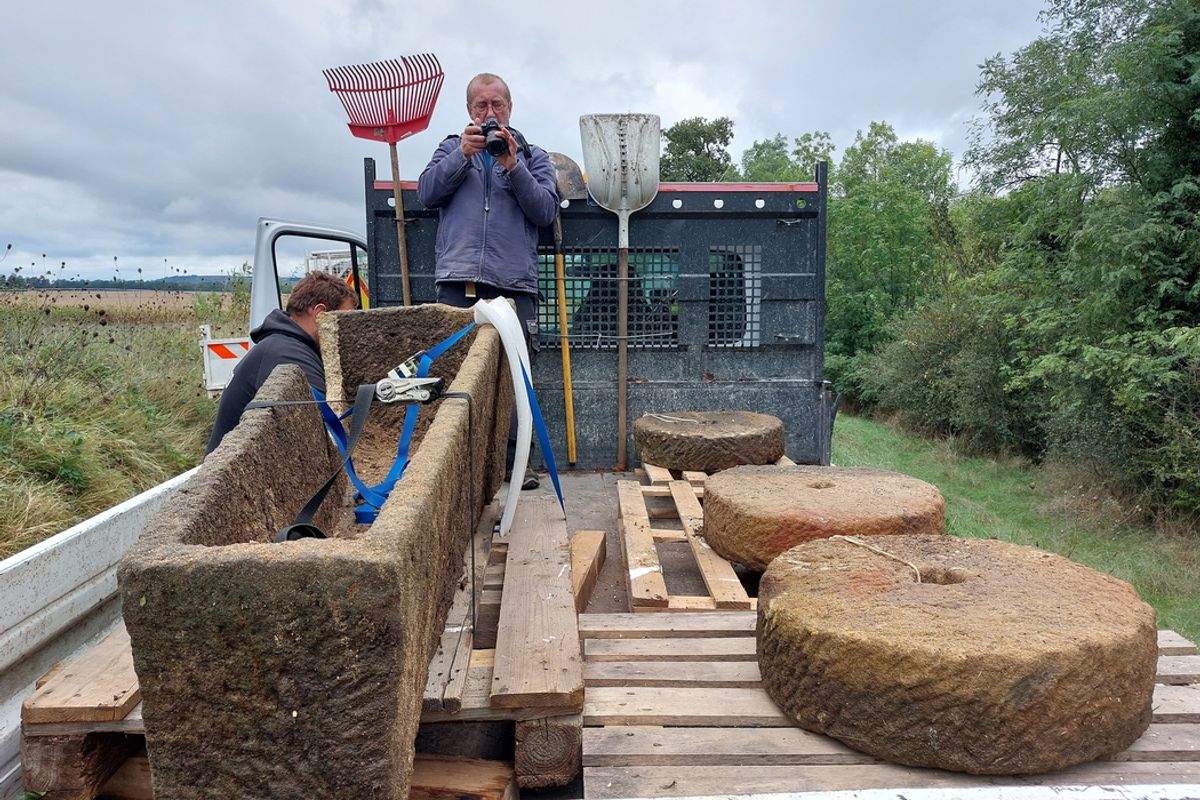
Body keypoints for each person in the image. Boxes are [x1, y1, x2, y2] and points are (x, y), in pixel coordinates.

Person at [417, 72, 559, 489]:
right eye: (482, 106)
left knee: (515, 379)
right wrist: (461, 155)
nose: (490, 113)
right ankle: (452, 467)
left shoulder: (533, 156)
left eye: (497, 105)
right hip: (457, 282)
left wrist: (512, 166)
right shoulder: (449, 148)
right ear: (469, 111)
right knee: (452, 375)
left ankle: (516, 467)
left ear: (510, 108)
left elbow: (545, 211)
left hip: (513, 285)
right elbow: (426, 193)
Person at [205, 271, 357, 454]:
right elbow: (325, 430)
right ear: (320, 315)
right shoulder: (287, 355)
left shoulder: (285, 345)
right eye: (344, 320)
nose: (348, 332)